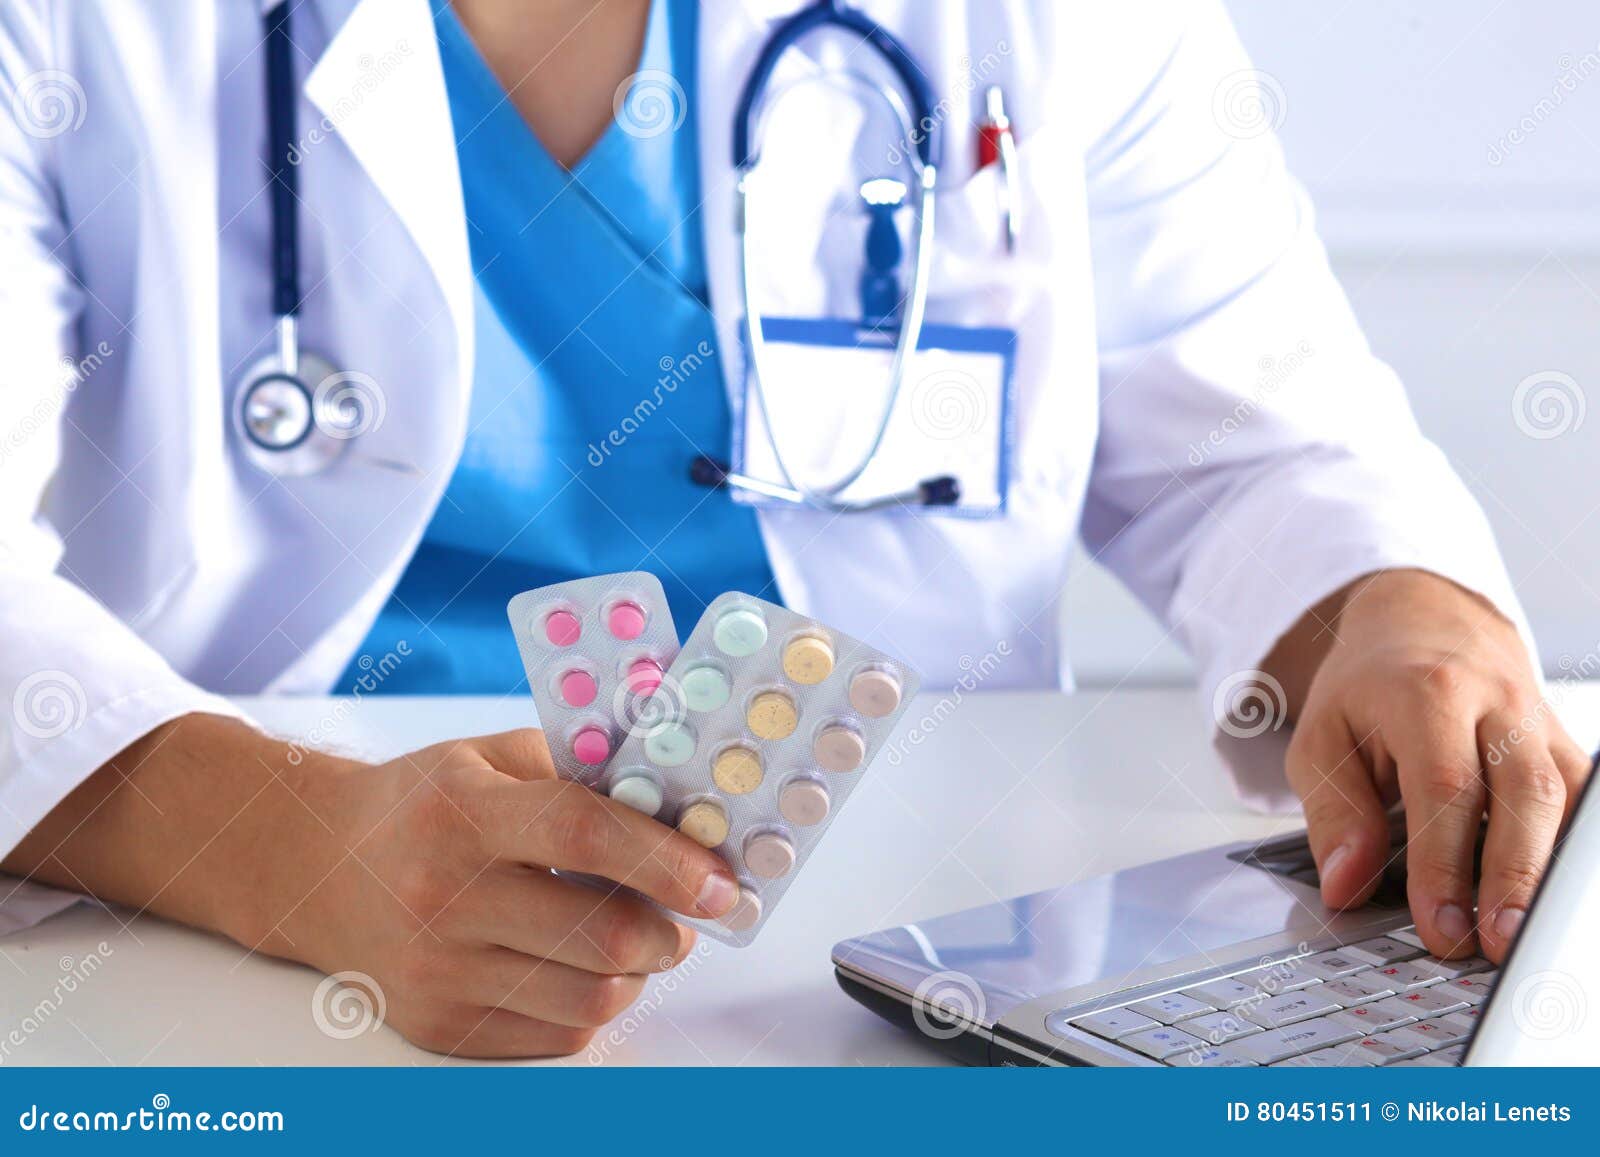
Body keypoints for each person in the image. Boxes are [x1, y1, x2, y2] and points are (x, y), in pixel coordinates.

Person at [0, 0, 1586, 1058]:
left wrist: (1400, 606)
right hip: (222, 972)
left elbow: (1264, 440)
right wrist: (290, 848)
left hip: (892, 978)